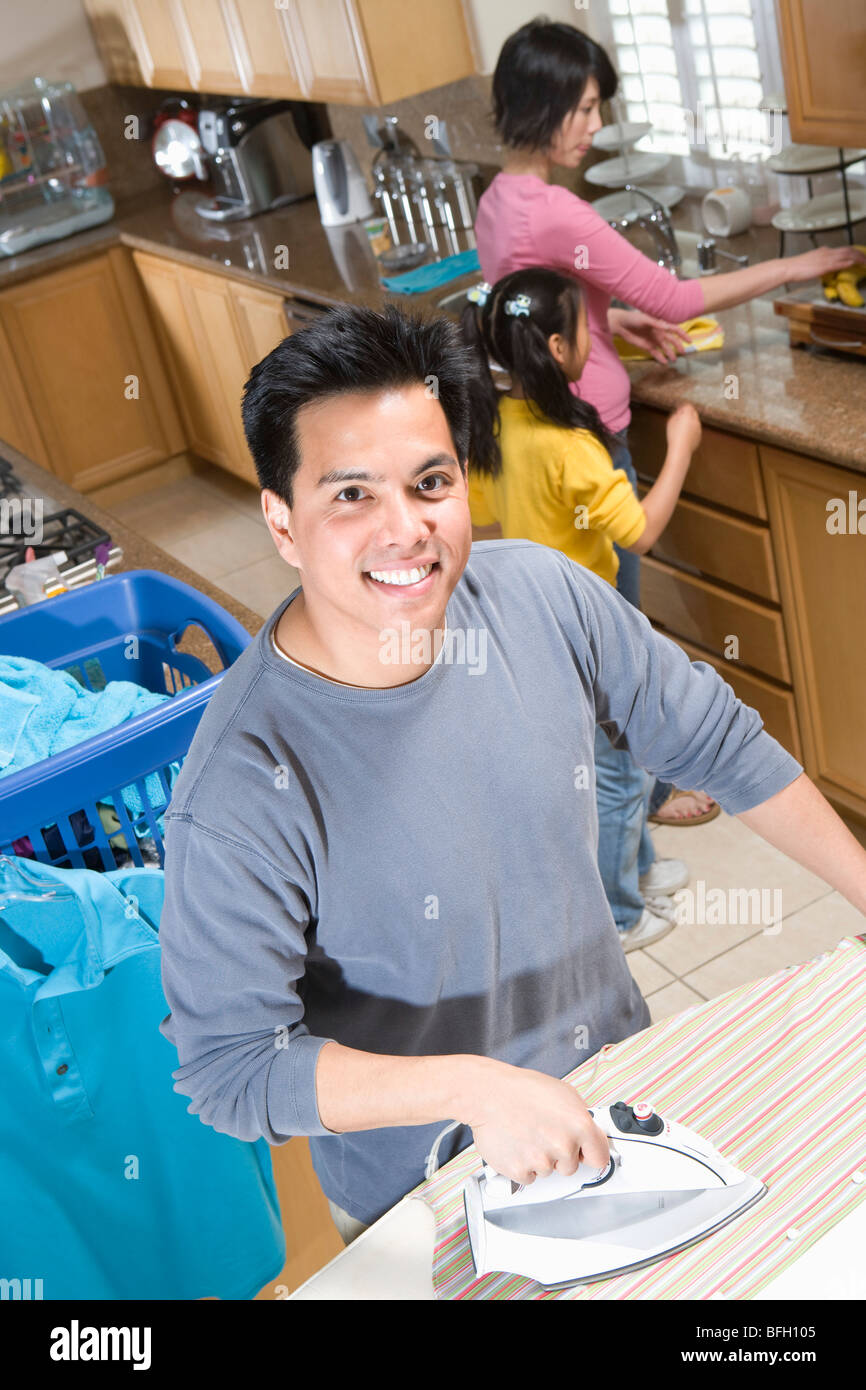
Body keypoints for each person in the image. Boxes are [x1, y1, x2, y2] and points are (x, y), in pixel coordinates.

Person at [157, 304, 866, 1249]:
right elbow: (231, 1069)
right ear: (283, 524)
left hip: (618, 1091)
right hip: (427, 1189)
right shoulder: (242, 786)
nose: (407, 530)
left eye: (431, 481)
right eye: (352, 496)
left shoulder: (545, 596)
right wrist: (473, 1084)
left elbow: (720, 743)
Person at [475, 17, 866, 825]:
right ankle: (634, 797)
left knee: (596, 634)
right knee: (617, 638)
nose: (596, 127)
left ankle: (628, 790)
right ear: (543, 106)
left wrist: (610, 324)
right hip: (595, 427)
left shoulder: (498, 202)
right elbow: (678, 298)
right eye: (584, 109)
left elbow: (533, 309)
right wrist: (803, 262)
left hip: (558, 416)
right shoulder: (557, 213)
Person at [460, 267, 703, 949]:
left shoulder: (494, 428)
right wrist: (679, 447)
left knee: (620, 751)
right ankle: (619, 917)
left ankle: (642, 871)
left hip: (538, 621)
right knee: (620, 770)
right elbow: (642, 532)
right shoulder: (570, 446)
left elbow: (483, 522)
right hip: (587, 628)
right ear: (562, 349)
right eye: (587, 331)